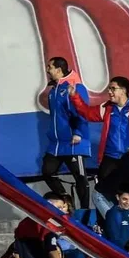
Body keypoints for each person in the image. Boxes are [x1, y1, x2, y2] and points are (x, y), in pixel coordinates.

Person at [68, 77, 129, 180]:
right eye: (108, 89)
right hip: (111, 156)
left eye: (113, 88)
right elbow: (86, 113)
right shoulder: (106, 108)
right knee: (103, 188)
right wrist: (74, 96)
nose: (109, 91)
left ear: (123, 91)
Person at [40, 57, 92, 210]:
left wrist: (78, 133)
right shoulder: (53, 90)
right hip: (57, 143)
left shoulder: (76, 87)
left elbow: (82, 112)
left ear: (59, 69)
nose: (47, 70)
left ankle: (84, 213)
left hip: (74, 141)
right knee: (47, 171)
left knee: (80, 177)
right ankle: (66, 199)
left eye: (50, 67)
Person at [11, 192, 72, 258]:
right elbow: (52, 251)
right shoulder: (47, 225)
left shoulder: (23, 224)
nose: (61, 211)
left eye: (62, 208)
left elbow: (18, 255)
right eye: (58, 208)